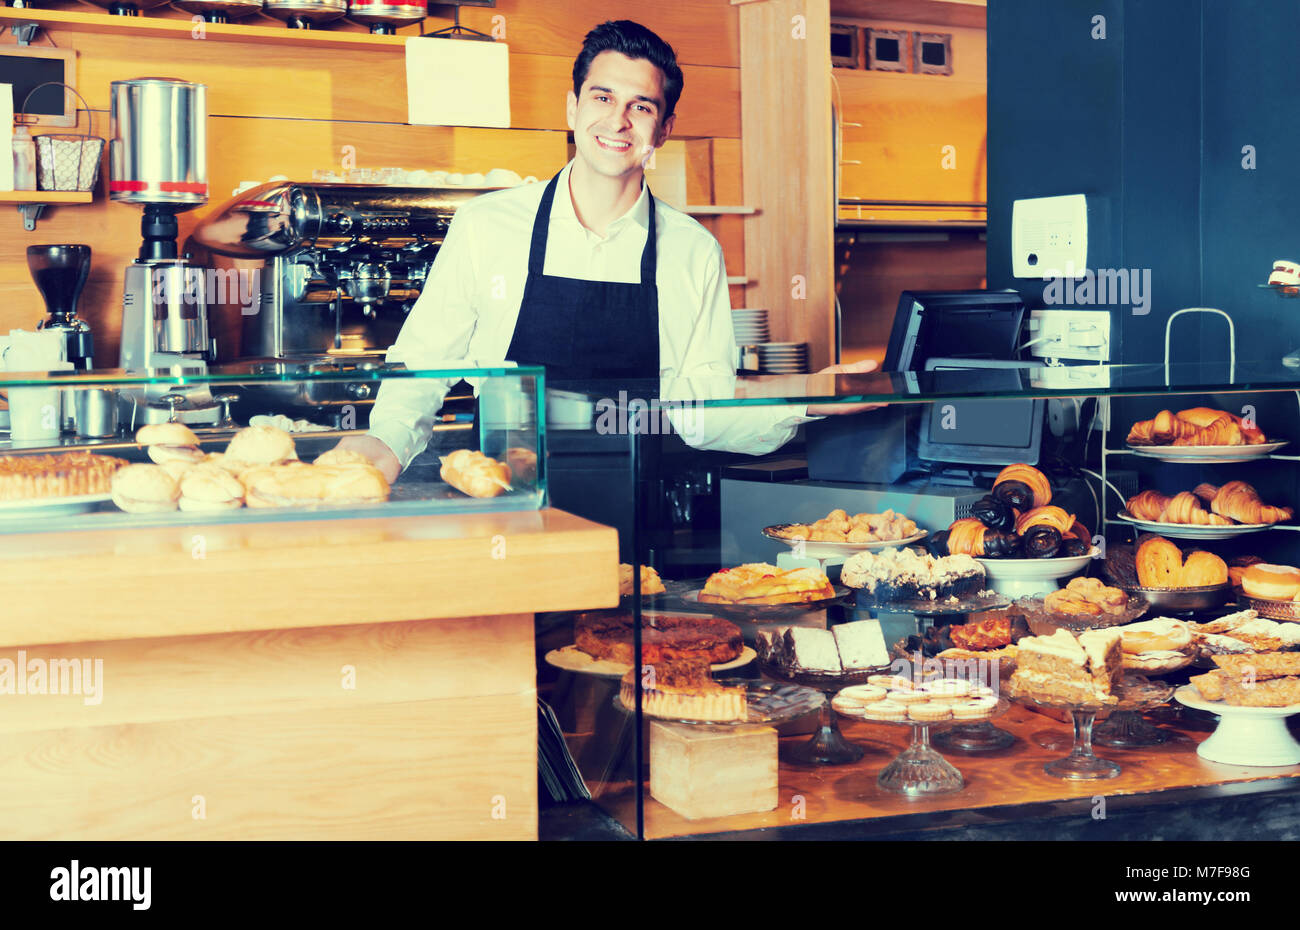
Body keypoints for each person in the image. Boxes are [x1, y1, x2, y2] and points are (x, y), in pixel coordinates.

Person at [337, 19, 877, 483]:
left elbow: (702, 413)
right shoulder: (488, 226)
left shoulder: (693, 252)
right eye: (602, 97)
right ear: (573, 106)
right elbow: (424, 364)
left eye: (640, 106)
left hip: (637, 523)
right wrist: (387, 442)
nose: (618, 121)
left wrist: (808, 399)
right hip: (506, 505)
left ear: (663, 129)